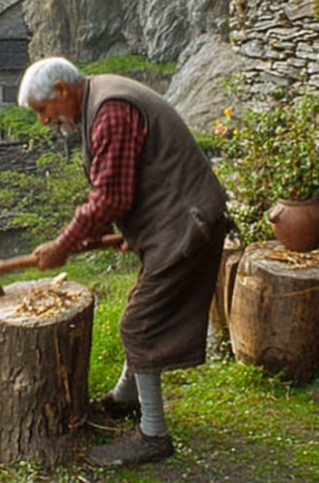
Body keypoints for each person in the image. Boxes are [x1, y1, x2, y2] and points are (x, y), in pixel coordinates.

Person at [17, 56, 229, 467]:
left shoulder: (110, 109)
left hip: (188, 225)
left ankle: (153, 434)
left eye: (43, 110)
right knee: (142, 311)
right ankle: (125, 397)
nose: (44, 121)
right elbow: (136, 179)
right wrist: (132, 233)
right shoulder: (103, 97)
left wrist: (63, 244)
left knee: (138, 322)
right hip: (176, 221)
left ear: (62, 91)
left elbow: (111, 197)